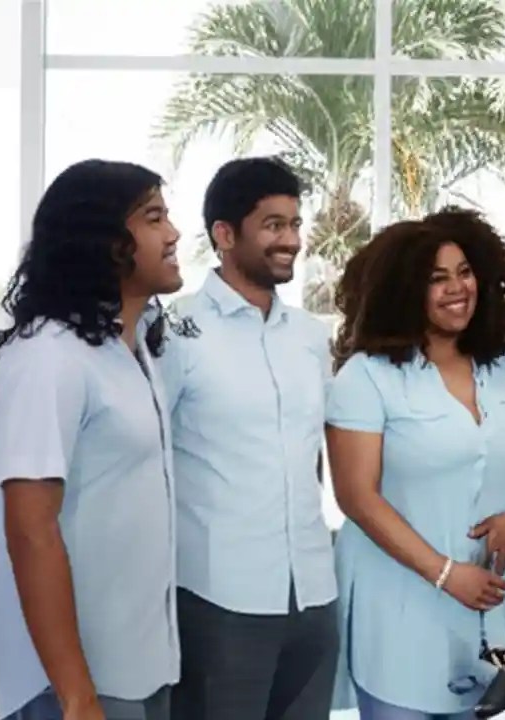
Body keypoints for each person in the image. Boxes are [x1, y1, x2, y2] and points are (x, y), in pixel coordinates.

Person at [0, 159, 184, 720]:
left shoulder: (131, 346)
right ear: (107, 241)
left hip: (139, 664)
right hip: (74, 685)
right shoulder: (47, 354)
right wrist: (76, 695)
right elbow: (29, 529)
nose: (173, 234)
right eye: (154, 218)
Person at [326, 208, 505, 720]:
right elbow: (356, 496)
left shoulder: (503, 372)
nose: (457, 288)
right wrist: (446, 575)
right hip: (403, 604)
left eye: (464, 272)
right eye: (436, 278)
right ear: (404, 291)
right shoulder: (367, 377)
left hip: (492, 609)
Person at [157, 157, 339, 720]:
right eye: (273, 225)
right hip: (218, 598)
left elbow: (311, 459)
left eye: (294, 223)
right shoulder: (174, 331)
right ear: (225, 234)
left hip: (312, 593)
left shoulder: (310, 338)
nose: (291, 240)